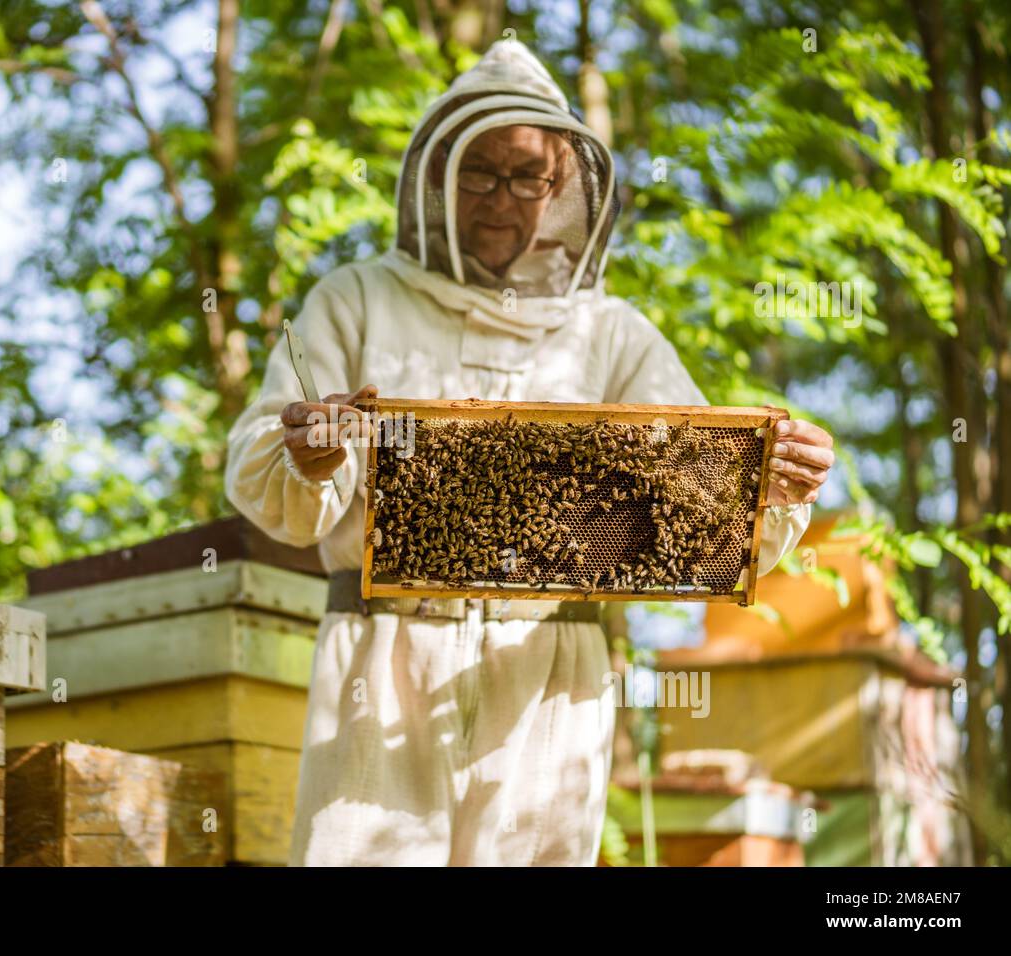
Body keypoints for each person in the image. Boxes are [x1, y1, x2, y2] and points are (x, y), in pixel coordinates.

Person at [224, 38, 834, 866]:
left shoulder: (611, 333)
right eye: (479, 173)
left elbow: (707, 507)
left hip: (552, 669)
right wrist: (313, 457)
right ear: (437, 175)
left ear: (564, 187)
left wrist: (771, 486)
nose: (501, 199)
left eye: (529, 178)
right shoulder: (356, 300)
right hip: (383, 660)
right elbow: (269, 476)